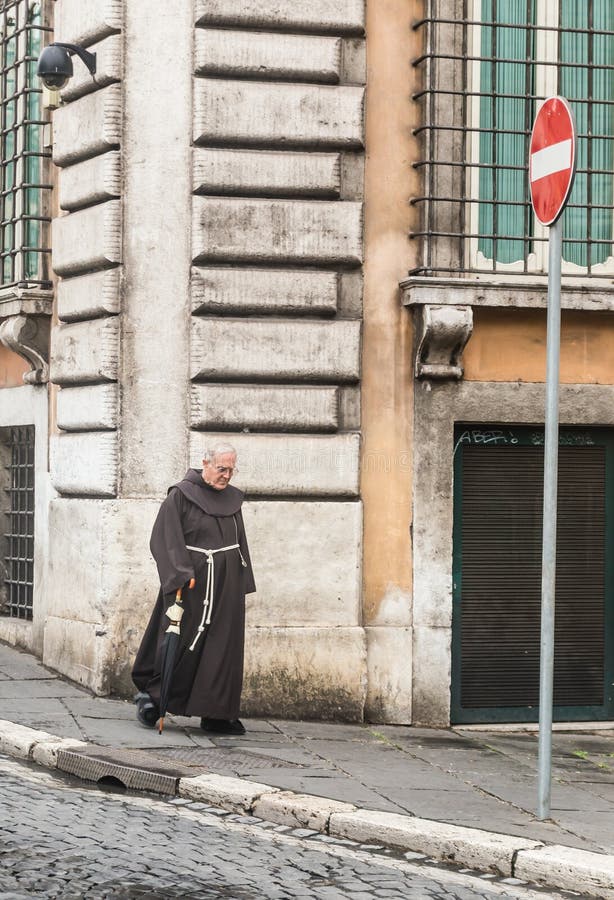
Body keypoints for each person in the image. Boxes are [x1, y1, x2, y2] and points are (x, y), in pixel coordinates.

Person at [132, 442, 255, 735]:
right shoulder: (181, 495)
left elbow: (240, 542)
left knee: (222, 647)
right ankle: (153, 697)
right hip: (190, 584)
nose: (226, 475)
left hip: (226, 586)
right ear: (206, 464)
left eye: (231, 469)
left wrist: (243, 579)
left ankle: (216, 713)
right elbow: (164, 537)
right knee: (179, 639)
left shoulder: (233, 500)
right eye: (221, 468)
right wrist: (180, 571)